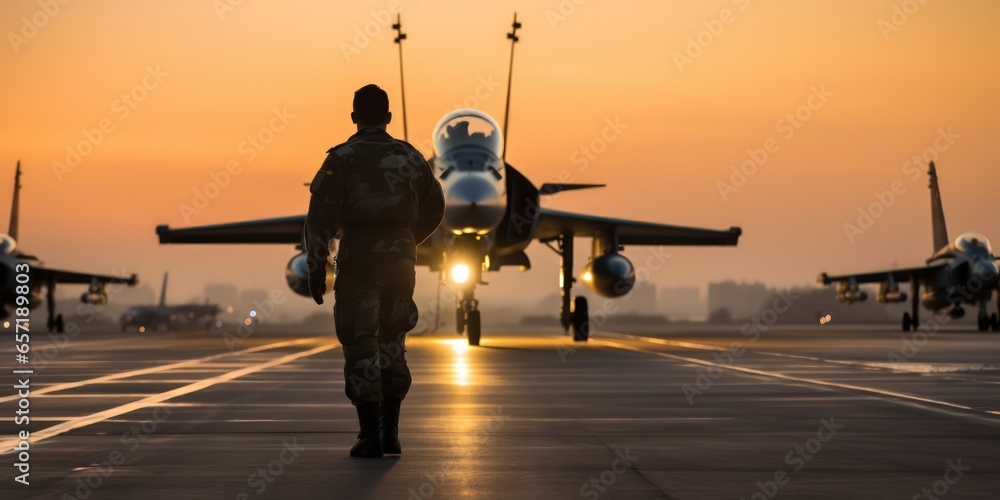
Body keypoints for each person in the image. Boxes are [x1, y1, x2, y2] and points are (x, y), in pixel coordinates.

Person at [304, 84, 445, 458]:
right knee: (392, 338)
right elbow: (435, 207)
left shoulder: (342, 158)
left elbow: (320, 218)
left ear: (354, 117)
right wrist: (406, 241)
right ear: (388, 118)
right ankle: (391, 432)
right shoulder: (411, 158)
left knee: (360, 340)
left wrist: (316, 264)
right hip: (400, 260)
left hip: (359, 259)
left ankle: (369, 434)